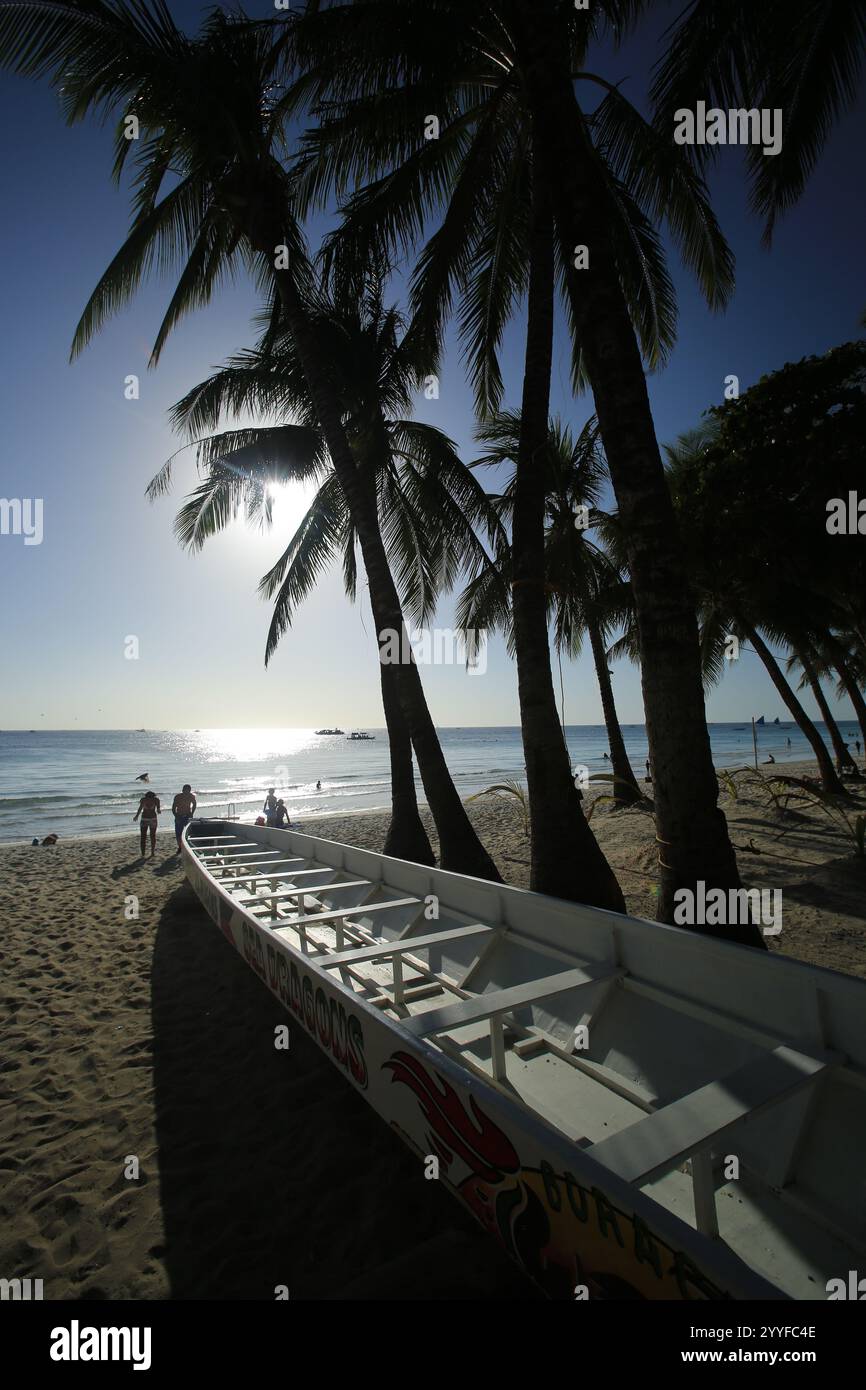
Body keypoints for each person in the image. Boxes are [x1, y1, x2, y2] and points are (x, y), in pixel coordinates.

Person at [134, 790, 161, 858]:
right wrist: (136, 816)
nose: (149, 799)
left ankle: (147, 853)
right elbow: (158, 809)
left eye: (151, 798)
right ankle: (150, 853)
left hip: (146, 819)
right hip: (151, 819)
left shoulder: (144, 800)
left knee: (145, 836)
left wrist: (137, 816)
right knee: (150, 836)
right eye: (149, 798)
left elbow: (140, 808)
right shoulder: (155, 800)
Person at [171, 784, 197, 853]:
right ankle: (180, 847)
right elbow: (173, 808)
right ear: (182, 790)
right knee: (178, 833)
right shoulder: (178, 797)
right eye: (185, 790)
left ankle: (188, 846)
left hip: (188, 815)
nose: (186, 792)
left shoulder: (191, 796)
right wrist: (176, 816)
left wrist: (192, 813)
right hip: (179, 815)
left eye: (188, 791)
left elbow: (194, 804)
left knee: (189, 832)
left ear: (190, 791)